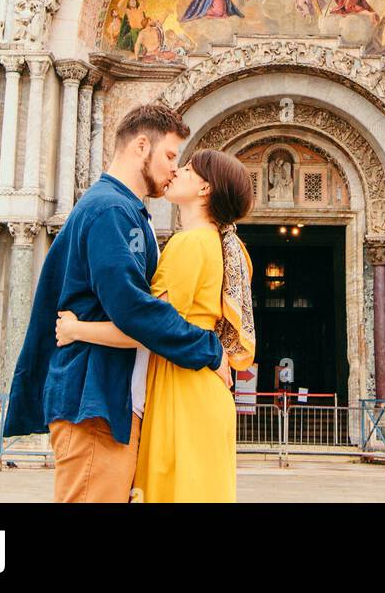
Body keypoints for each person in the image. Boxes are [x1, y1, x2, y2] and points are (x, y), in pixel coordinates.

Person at [2, 104, 232, 503]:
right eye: (170, 156)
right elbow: (133, 309)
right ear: (142, 146)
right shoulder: (111, 209)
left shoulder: (126, 212)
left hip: (109, 400)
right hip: (95, 399)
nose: (173, 169)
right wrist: (209, 350)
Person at [56, 147, 255, 504]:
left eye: (190, 168)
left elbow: (148, 326)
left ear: (205, 188)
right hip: (198, 388)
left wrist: (76, 330)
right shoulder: (215, 243)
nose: (177, 170)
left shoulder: (191, 243)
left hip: (183, 389)